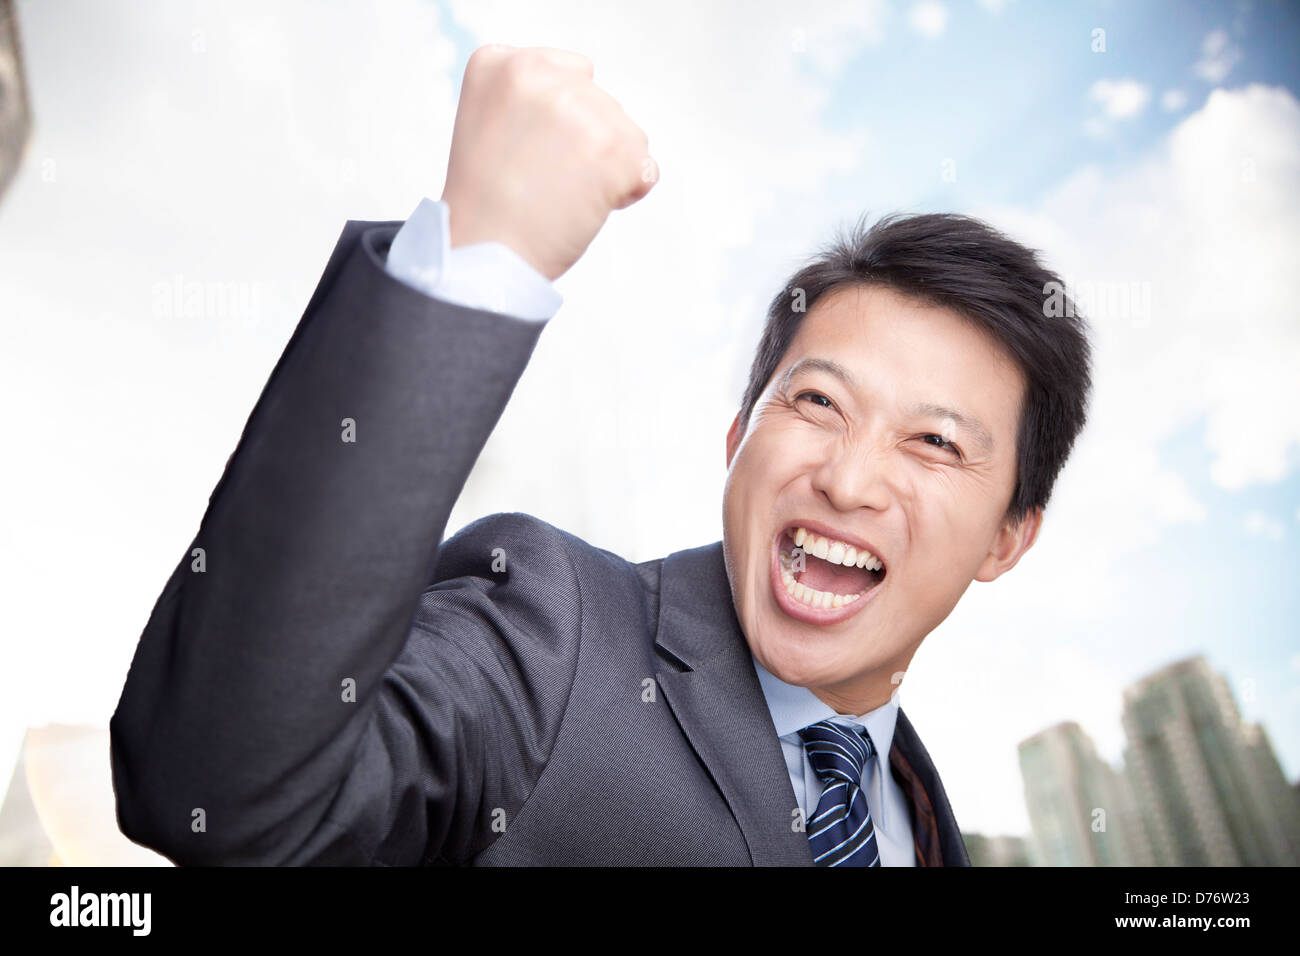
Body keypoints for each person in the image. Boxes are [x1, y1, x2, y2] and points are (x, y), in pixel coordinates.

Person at [110, 44, 1092, 866]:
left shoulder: (921, 813)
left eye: (931, 440)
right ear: (736, 438)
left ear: (1009, 536)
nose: (844, 477)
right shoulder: (546, 636)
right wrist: (480, 258)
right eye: (816, 401)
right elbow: (220, 787)